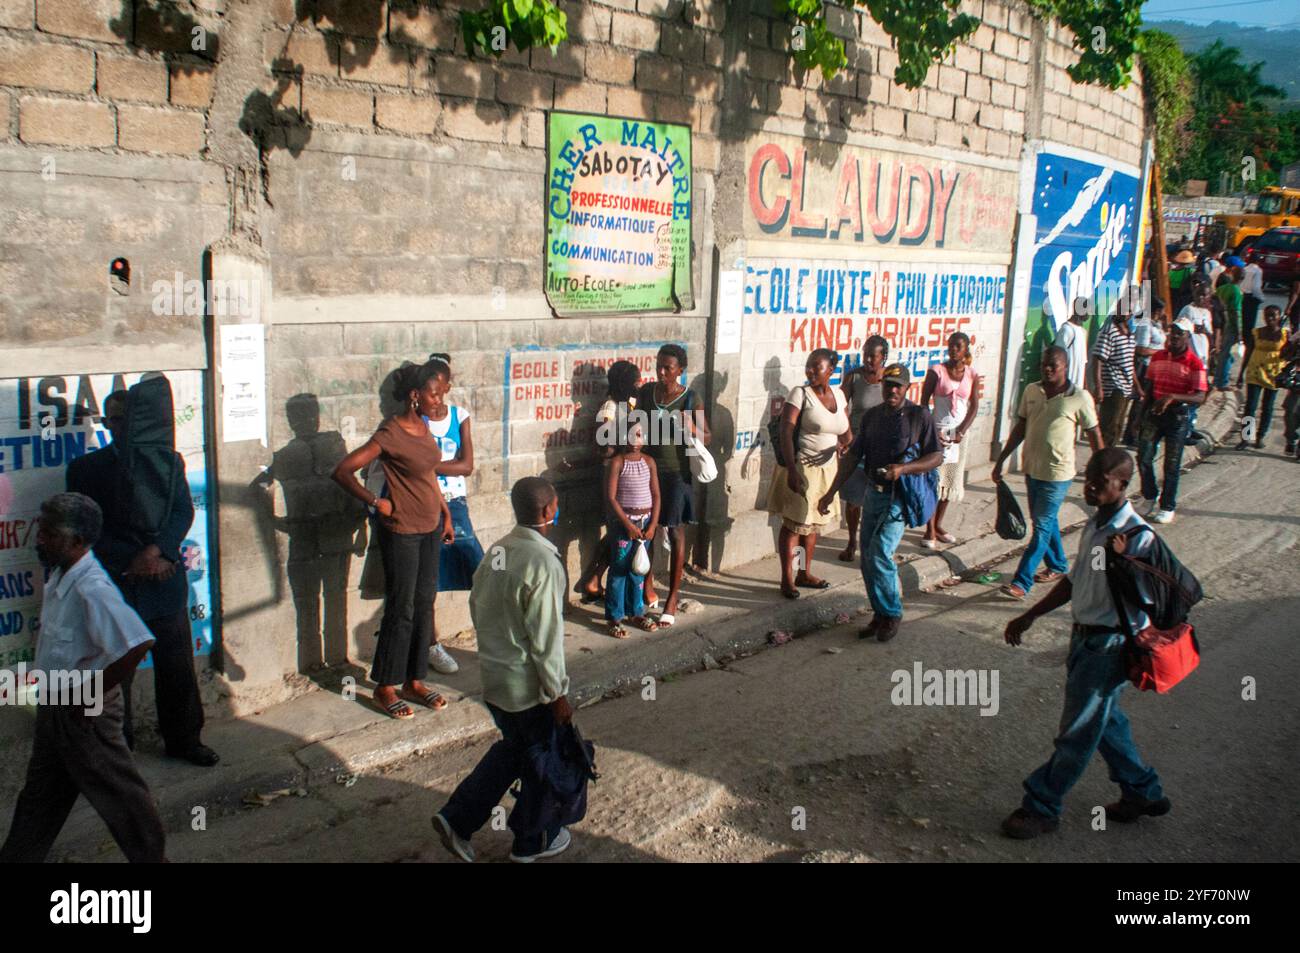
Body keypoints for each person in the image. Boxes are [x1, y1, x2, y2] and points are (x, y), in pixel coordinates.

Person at [1000, 448, 1169, 840]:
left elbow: (1155, 600)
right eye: (1089, 476)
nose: (1090, 485)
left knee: (1077, 732)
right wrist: (1030, 615)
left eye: (1101, 480)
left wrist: (1128, 565)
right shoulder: (1097, 525)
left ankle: (1042, 805)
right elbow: (1075, 581)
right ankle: (1142, 791)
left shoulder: (1138, 537)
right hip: (1085, 639)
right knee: (1104, 722)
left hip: (1110, 647)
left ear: (1123, 485)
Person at [0, 493, 167, 863]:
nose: (39, 538)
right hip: (55, 706)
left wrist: (87, 695)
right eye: (40, 530)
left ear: (76, 541)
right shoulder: (62, 575)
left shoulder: (92, 587)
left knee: (123, 800)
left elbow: (137, 644)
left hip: (84, 709)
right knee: (40, 799)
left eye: (49, 533)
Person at [66, 385, 218, 767]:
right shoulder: (86, 469)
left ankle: (185, 740)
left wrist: (158, 552)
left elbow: (183, 512)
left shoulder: (168, 461)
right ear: (106, 423)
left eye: (129, 419)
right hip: (119, 582)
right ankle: (120, 747)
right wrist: (131, 560)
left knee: (177, 666)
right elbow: (86, 527)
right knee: (118, 671)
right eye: (115, 420)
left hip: (163, 577)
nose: (123, 427)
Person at [433, 477, 574, 863]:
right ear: (549, 510)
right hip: (528, 687)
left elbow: (478, 609)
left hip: (496, 680)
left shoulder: (498, 551)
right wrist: (557, 695)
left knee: (516, 751)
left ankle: (458, 820)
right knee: (544, 759)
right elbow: (546, 641)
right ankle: (532, 842)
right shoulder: (543, 562)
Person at [332, 361, 455, 720]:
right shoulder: (390, 433)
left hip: (430, 526)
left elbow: (429, 474)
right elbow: (342, 470)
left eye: (441, 393)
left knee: (424, 602)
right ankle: (385, 686)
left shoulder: (424, 427)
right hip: (401, 530)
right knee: (401, 608)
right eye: (434, 394)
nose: (440, 400)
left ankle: (414, 680)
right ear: (416, 396)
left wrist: (445, 514)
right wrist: (376, 502)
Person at [817, 364, 942, 643]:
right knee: (867, 558)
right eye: (888, 385)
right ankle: (880, 612)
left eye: (898, 385)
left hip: (899, 495)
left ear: (908, 388)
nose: (893, 390)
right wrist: (830, 492)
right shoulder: (873, 416)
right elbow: (853, 456)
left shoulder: (918, 416)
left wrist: (904, 469)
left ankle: (892, 612)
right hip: (872, 494)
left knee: (880, 553)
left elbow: (936, 456)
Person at [993, 346, 1103, 601]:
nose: (1048, 369)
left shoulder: (1079, 397)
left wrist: (1100, 468)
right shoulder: (1032, 390)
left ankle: (1022, 581)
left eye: (1053, 365)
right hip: (1032, 469)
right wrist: (1001, 460)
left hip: (1058, 473)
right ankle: (1058, 565)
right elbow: (1021, 427)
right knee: (1046, 521)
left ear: (1065, 367)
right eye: (1044, 364)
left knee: (1041, 526)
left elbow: (1094, 432)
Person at [637, 345, 710, 628]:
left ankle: (673, 596)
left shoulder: (691, 398)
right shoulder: (647, 393)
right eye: (658, 366)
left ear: (681, 369)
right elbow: (635, 424)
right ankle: (647, 585)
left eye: (668, 367)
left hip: (677, 474)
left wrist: (690, 427)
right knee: (647, 529)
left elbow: (708, 436)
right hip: (647, 470)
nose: (661, 372)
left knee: (676, 531)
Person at [768, 348, 851, 599]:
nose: (811, 371)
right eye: (809, 366)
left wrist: (842, 446)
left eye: (818, 367)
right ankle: (787, 578)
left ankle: (804, 572)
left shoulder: (838, 395)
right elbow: (785, 431)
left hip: (828, 471)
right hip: (803, 469)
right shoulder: (800, 394)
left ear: (831, 370)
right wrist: (792, 470)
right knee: (795, 525)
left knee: (812, 527)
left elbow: (846, 433)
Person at [424, 353, 484, 675]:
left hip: (455, 503)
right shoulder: (415, 419)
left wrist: (426, 465)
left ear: (448, 386)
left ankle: (492, 639)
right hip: (425, 504)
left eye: (439, 387)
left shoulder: (459, 416)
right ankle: (432, 645)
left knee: (480, 571)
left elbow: (467, 465)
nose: (435, 395)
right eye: (428, 388)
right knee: (428, 581)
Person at [575, 360, 642, 603]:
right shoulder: (609, 408)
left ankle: (594, 578)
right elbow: (603, 447)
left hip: (626, 475)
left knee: (620, 530)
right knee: (619, 530)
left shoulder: (628, 404)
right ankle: (596, 579)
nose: (639, 385)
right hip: (613, 476)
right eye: (635, 381)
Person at [1136, 317, 1209, 524]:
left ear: (1187, 337)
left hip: (1177, 417)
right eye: (1173, 332)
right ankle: (1149, 495)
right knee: (1143, 456)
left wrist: (1173, 397)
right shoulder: (1158, 356)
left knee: (1172, 464)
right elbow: (1149, 389)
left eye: (1180, 333)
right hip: (1155, 413)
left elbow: (1200, 396)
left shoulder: (1194, 363)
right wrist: (1139, 417)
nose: (1175, 336)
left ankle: (1167, 505)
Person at [920, 332, 981, 548]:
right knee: (934, 483)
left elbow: (974, 406)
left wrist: (961, 432)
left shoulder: (971, 374)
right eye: (951, 345)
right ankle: (929, 530)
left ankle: (938, 524)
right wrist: (932, 431)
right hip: (937, 435)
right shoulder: (937, 372)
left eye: (958, 346)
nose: (954, 349)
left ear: (965, 350)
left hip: (958, 437)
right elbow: (923, 404)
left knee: (950, 483)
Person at [603, 420, 661, 638]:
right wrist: (627, 524)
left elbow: (656, 495)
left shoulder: (649, 462)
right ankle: (614, 617)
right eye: (631, 435)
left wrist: (653, 524)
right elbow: (611, 497)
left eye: (640, 435)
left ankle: (636, 612)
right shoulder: (618, 462)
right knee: (619, 569)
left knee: (638, 570)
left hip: (645, 524)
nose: (636, 440)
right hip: (623, 524)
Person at [837, 336, 888, 562]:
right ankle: (851, 541)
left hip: (882, 447)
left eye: (873, 355)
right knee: (853, 498)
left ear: (883, 357)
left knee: (879, 496)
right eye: (865, 353)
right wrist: (843, 438)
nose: (867, 359)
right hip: (857, 443)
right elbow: (839, 407)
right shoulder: (854, 377)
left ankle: (874, 544)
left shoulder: (889, 379)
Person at [1236, 305, 1289, 452]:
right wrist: (1241, 374)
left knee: (1268, 407)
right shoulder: (1257, 333)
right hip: (1255, 371)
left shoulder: (1285, 335)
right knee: (1250, 407)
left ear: (1279, 317)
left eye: (1273, 316)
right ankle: (1246, 438)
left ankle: (1260, 437)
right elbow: (1248, 353)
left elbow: (1289, 354)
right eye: (1267, 316)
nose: (1270, 319)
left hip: (1274, 374)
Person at [1090, 300, 1137, 449]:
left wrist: (1137, 386)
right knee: (1109, 426)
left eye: (1128, 311)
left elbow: (1129, 362)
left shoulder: (1129, 332)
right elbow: (1098, 359)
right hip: (1113, 386)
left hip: (1125, 386)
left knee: (1117, 427)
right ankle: (1102, 460)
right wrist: (1099, 387)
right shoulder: (1109, 331)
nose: (1125, 313)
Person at [1124, 296, 1166, 447]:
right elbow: (1140, 349)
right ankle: (1131, 435)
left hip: (1155, 368)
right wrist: (1160, 352)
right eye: (1161, 310)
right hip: (1144, 368)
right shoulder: (1145, 324)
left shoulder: (1157, 325)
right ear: (1156, 310)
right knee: (1139, 402)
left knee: (1147, 403)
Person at [1213, 266, 1243, 391]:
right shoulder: (1236, 291)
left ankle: (1218, 378)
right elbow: (1235, 312)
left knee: (1223, 353)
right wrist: (1239, 331)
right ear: (1242, 278)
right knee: (1226, 354)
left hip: (1220, 323)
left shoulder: (1221, 288)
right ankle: (1222, 382)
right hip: (1230, 325)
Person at [1237, 257, 1265, 387]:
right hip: (1251, 299)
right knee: (1249, 333)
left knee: (1243, 324)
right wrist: (1261, 298)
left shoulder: (1244, 269)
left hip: (1242, 297)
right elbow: (1256, 287)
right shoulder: (1257, 271)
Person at [1054, 297, 1090, 392]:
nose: (1088, 313)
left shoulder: (1082, 332)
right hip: (1065, 389)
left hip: (1077, 390)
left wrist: (1085, 385)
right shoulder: (1066, 330)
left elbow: (1083, 362)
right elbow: (1057, 359)